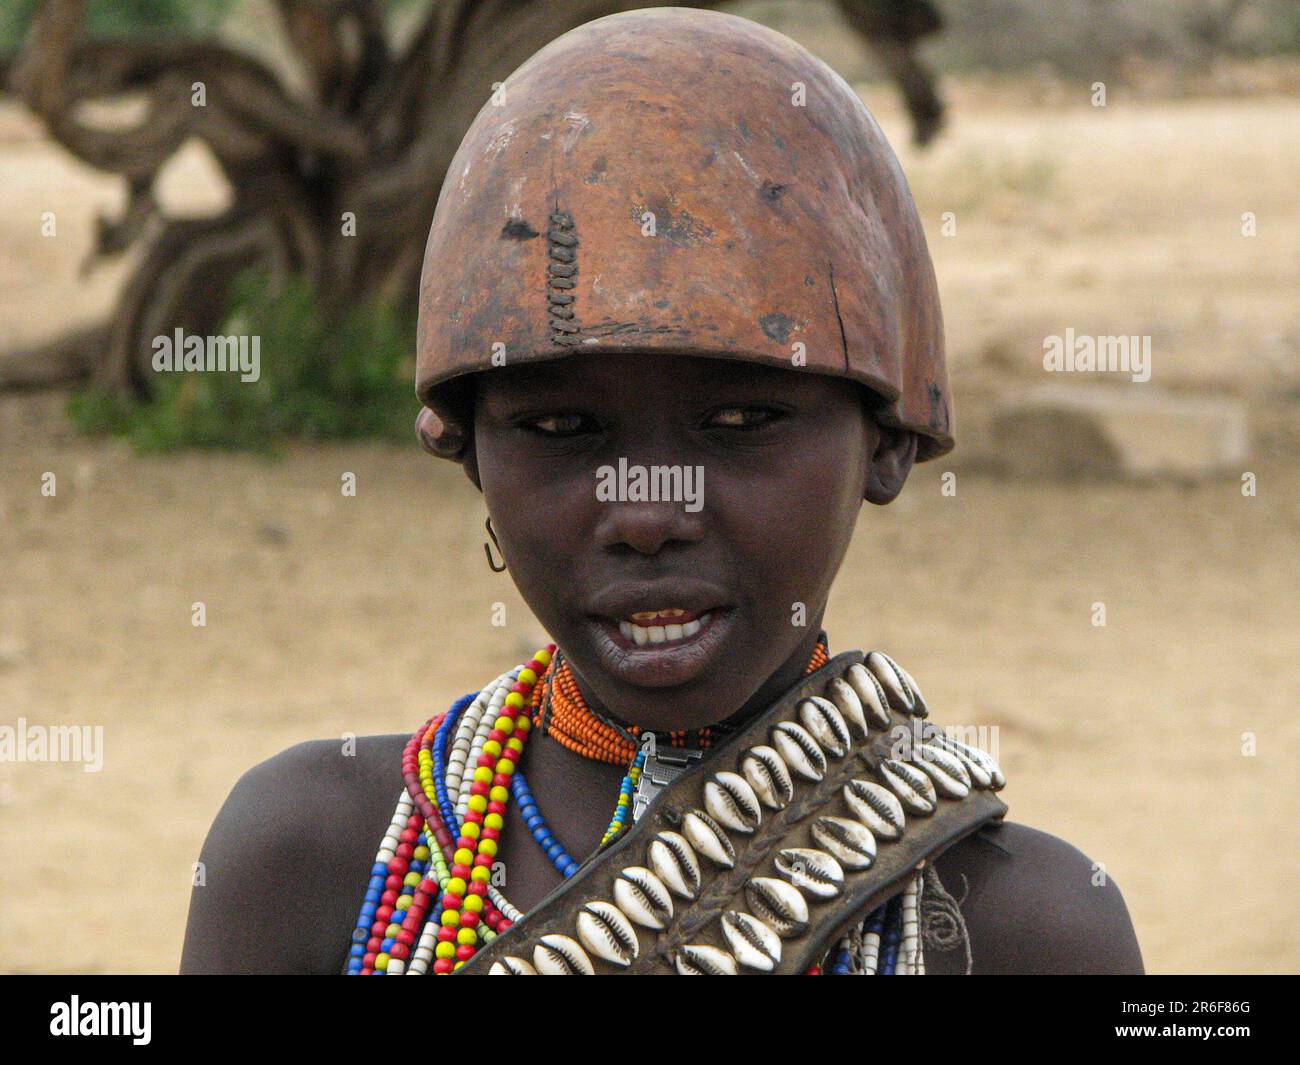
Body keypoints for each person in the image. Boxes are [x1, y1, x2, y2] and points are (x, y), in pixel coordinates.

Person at [180, 7, 1143, 975]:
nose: (644, 511)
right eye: (560, 429)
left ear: (886, 439)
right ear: (467, 450)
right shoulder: (306, 860)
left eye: (739, 423)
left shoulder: (1025, 934)